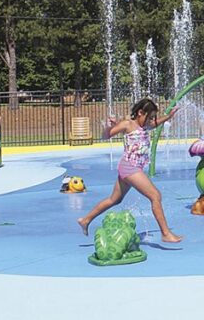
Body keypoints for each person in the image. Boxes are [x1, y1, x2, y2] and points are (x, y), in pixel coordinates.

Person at [78, 98, 183, 243]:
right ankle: (165, 233)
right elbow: (106, 136)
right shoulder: (128, 124)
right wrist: (109, 127)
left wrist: (169, 116)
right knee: (155, 196)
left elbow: (157, 123)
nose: (152, 120)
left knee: (114, 199)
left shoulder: (145, 126)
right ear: (140, 112)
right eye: (150, 117)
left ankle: (85, 220)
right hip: (130, 168)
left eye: (153, 117)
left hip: (131, 168)